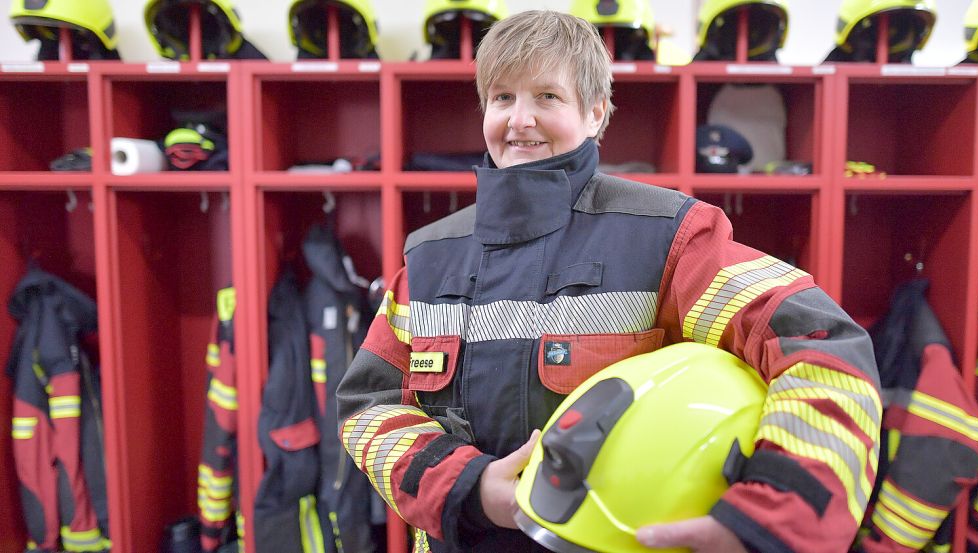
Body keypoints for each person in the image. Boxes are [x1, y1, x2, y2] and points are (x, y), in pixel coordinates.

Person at [337, 9, 881, 553]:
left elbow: (825, 347)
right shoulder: (433, 256)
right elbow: (368, 406)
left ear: (595, 113)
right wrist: (469, 487)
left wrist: (765, 525)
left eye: (547, 96)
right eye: (502, 97)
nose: (519, 119)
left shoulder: (668, 237)